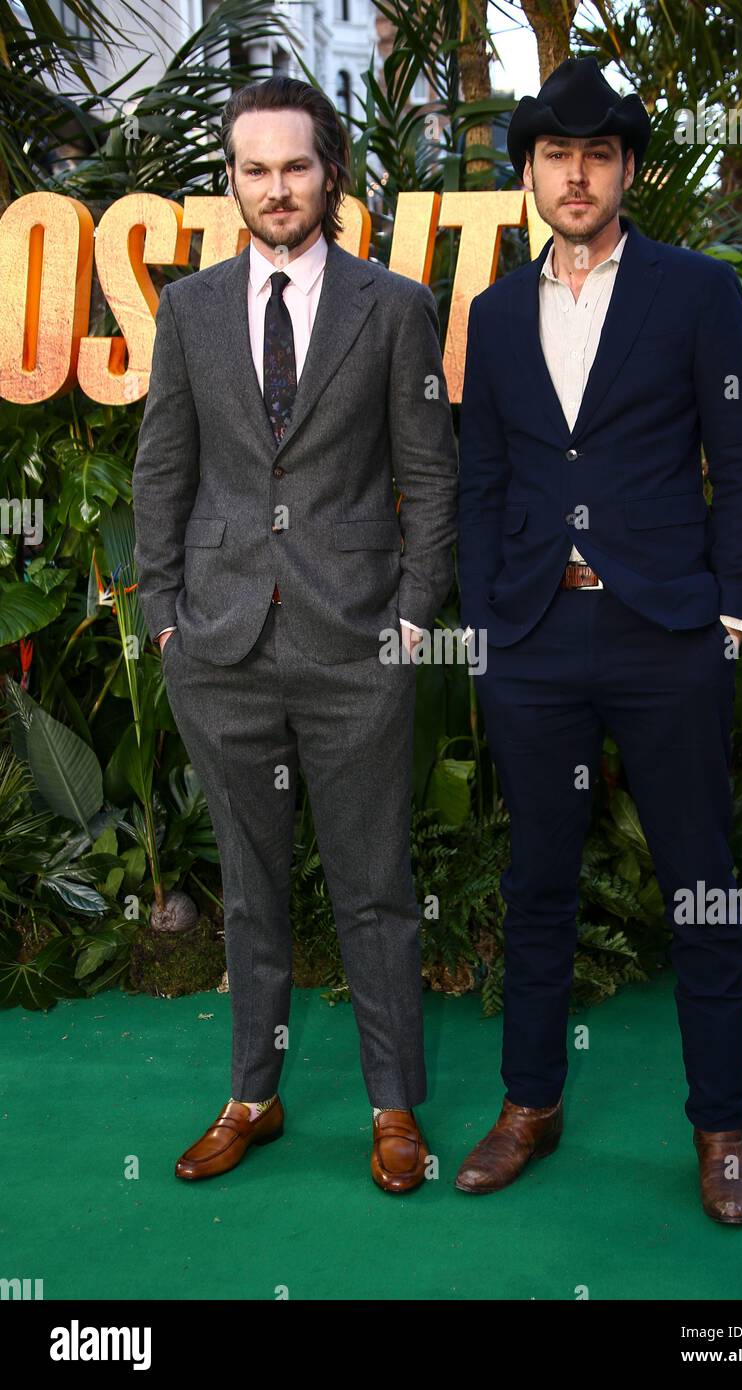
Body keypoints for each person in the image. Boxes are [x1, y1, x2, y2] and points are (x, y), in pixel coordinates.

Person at [455, 56, 742, 1222]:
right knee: (536, 881)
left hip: (665, 631)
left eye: (594, 154)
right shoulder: (490, 314)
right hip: (535, 634)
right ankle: (526, 1107)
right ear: (529, 171)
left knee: (700, 887)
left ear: (627, 168)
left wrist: (730, 609)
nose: (574, 174)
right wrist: (485, 620)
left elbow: (739, 469)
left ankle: (720, 1129)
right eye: (552, 155)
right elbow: (480, 477)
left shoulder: (696, 293)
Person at [132, 75, 457, 1192]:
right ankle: (252, 1095)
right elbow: (162, 471)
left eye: (296, 166)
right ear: (232, 179)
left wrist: (412, 620)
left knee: (373, 886)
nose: (277, 188)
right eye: (254, 169)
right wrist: (163, 616)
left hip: (355, 643)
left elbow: (430, 475)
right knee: (250, 885)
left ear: (331, 173)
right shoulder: (189, 310)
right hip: (217, 648)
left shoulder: (394, 306)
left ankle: (393, 1108)